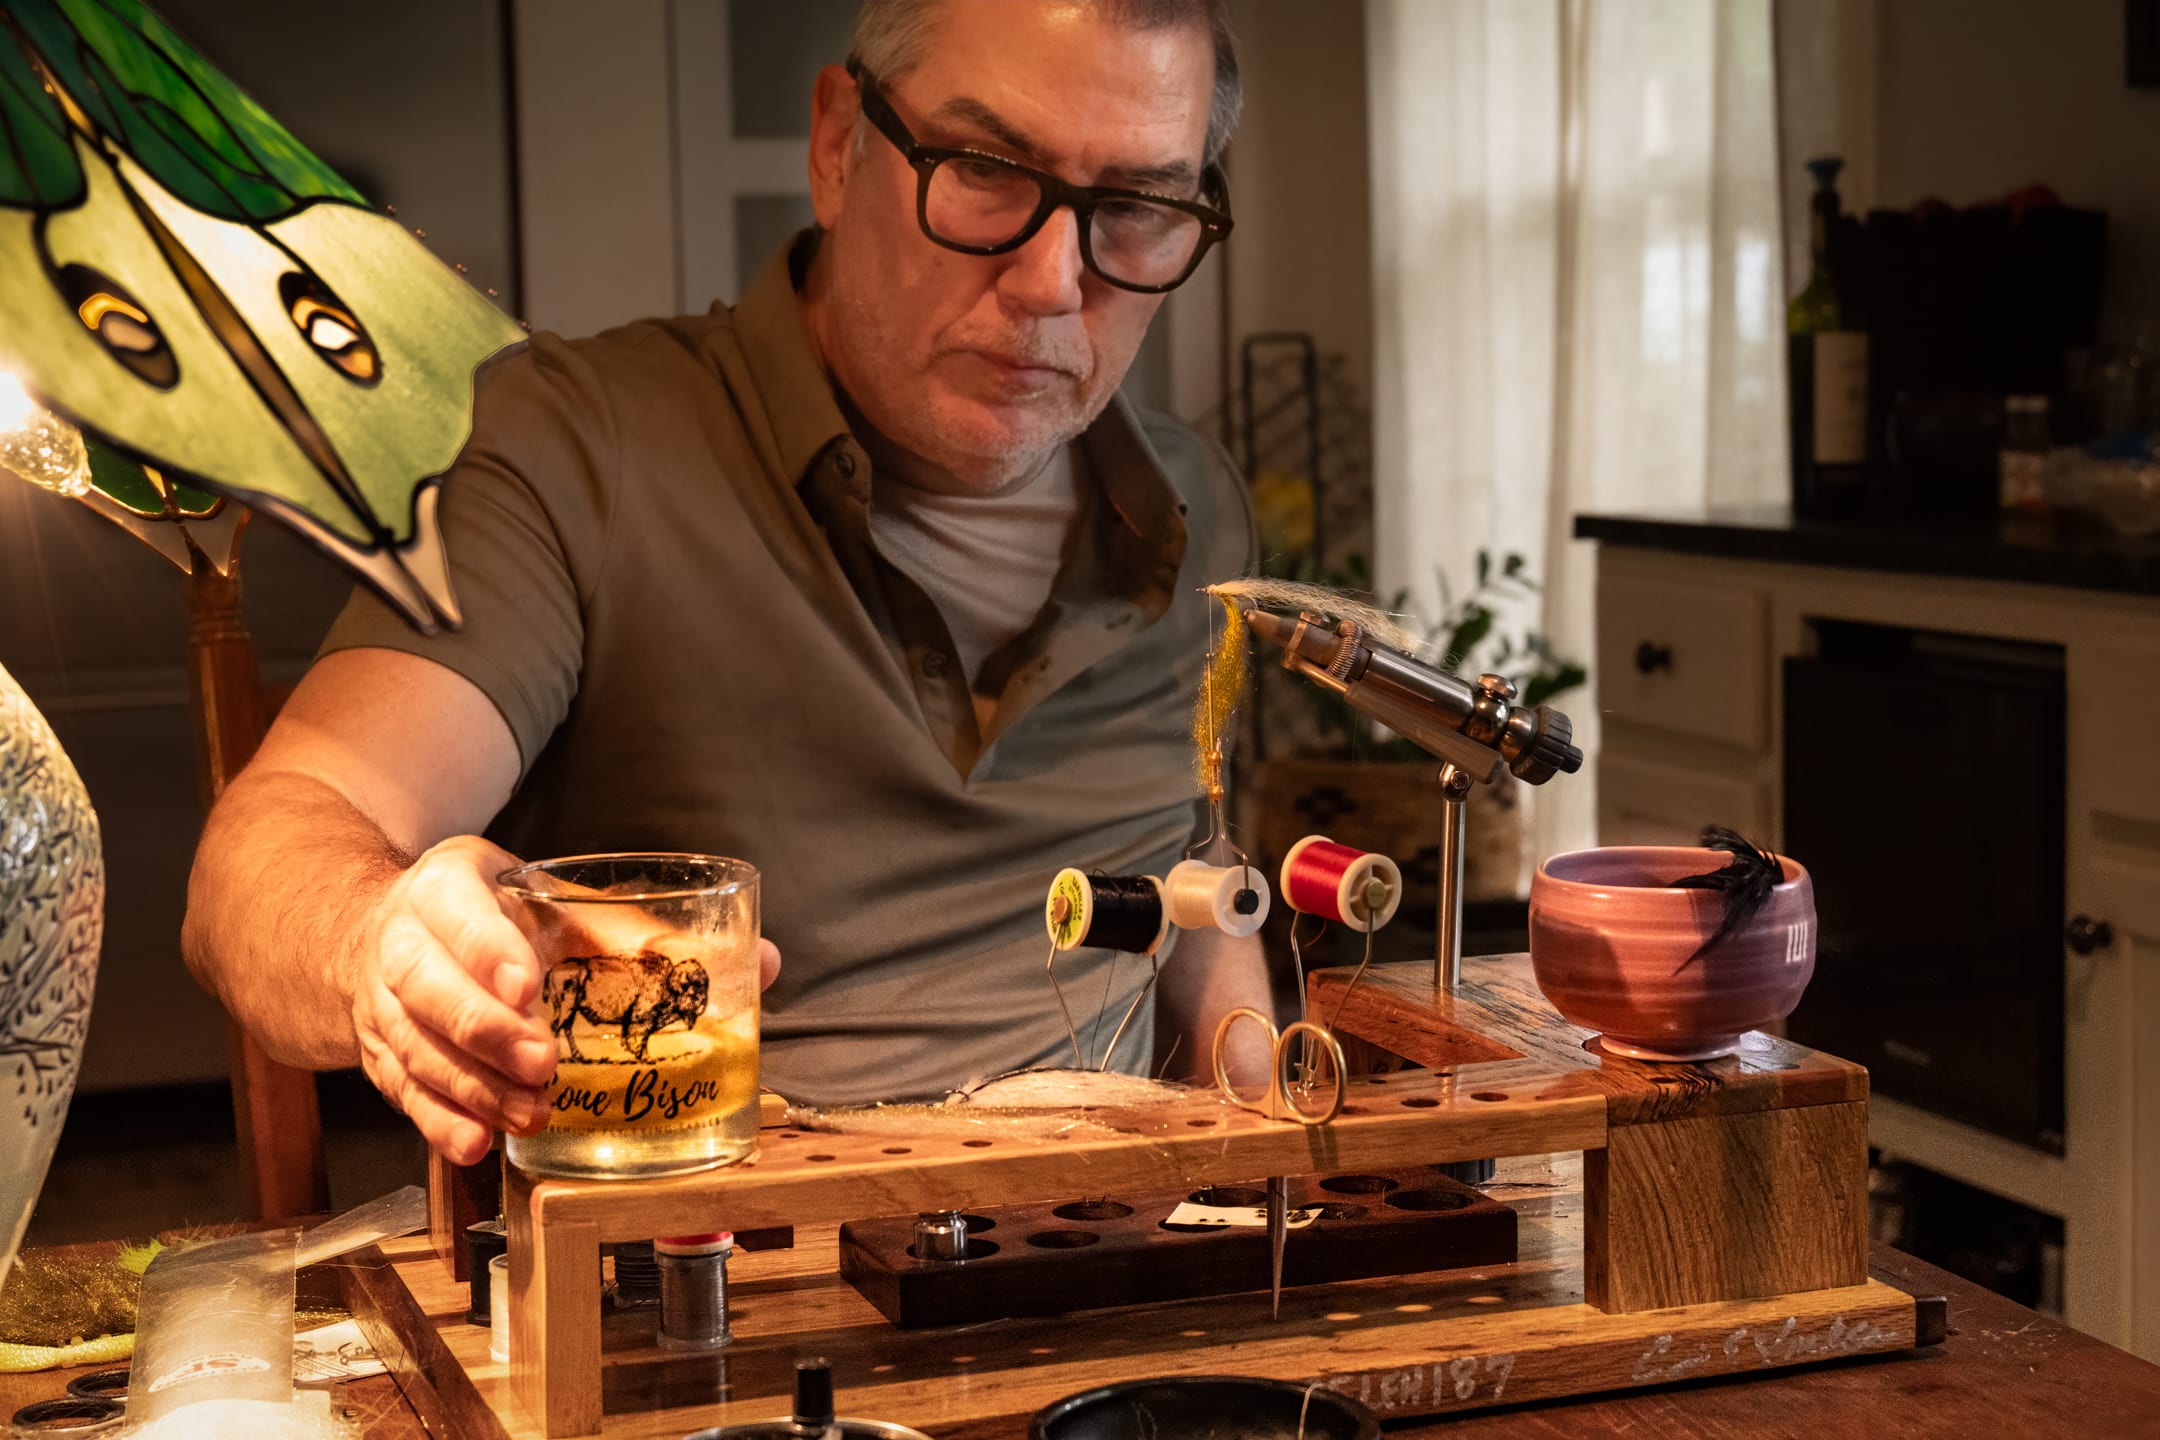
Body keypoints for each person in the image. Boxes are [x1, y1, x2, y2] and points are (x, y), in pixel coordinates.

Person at [182, 0, 1268, 1168]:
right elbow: (261, 861)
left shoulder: (1195, 512)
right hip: (711, 1278)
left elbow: (1197, 898)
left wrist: (1275, 1175)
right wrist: (377, 945)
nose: (1055, 280)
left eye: (1140, 208)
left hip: (1110, 1272)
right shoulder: (579, 451)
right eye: (986, 171)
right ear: (838, 144)